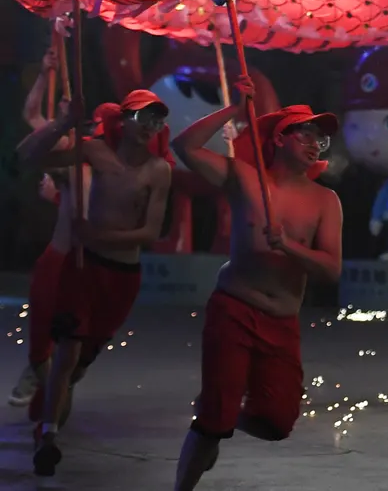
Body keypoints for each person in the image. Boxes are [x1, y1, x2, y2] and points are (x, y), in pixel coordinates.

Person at [170, 78, 343, 491]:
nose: (316, 143)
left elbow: (331, 270)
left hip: (282, 321)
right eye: (307, 134)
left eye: (321, 138)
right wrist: (235, 109)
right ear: (281, 138)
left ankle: (219, 417)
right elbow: (184, 148)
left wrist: (289, 247)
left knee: (278, 422)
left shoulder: (325, 201)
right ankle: (207, 435)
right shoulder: (245, 179)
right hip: (234, 307)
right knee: (214, 420)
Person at [18, 89, 173, 477]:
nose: (149, 127)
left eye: (156, 120)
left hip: (121, 278)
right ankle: (48, 436)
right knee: (67, 352)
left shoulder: (159, 170)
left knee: (79, 364)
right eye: (142, 117)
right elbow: (27, 157)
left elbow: (150, 231)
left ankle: (52, 410)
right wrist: (65, 123)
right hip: (83, 269)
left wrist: (96, 235)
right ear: (122, 120)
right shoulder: (93, 152)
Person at [9, 48, 86, 408]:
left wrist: (57, 198)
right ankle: (38, 369)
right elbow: (30, 113)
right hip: (49, 238)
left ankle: (59, 381)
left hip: (82, 245)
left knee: (73, 320)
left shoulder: (87, 151)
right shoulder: (51, 136)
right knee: (43, 307)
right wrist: (44, 73)